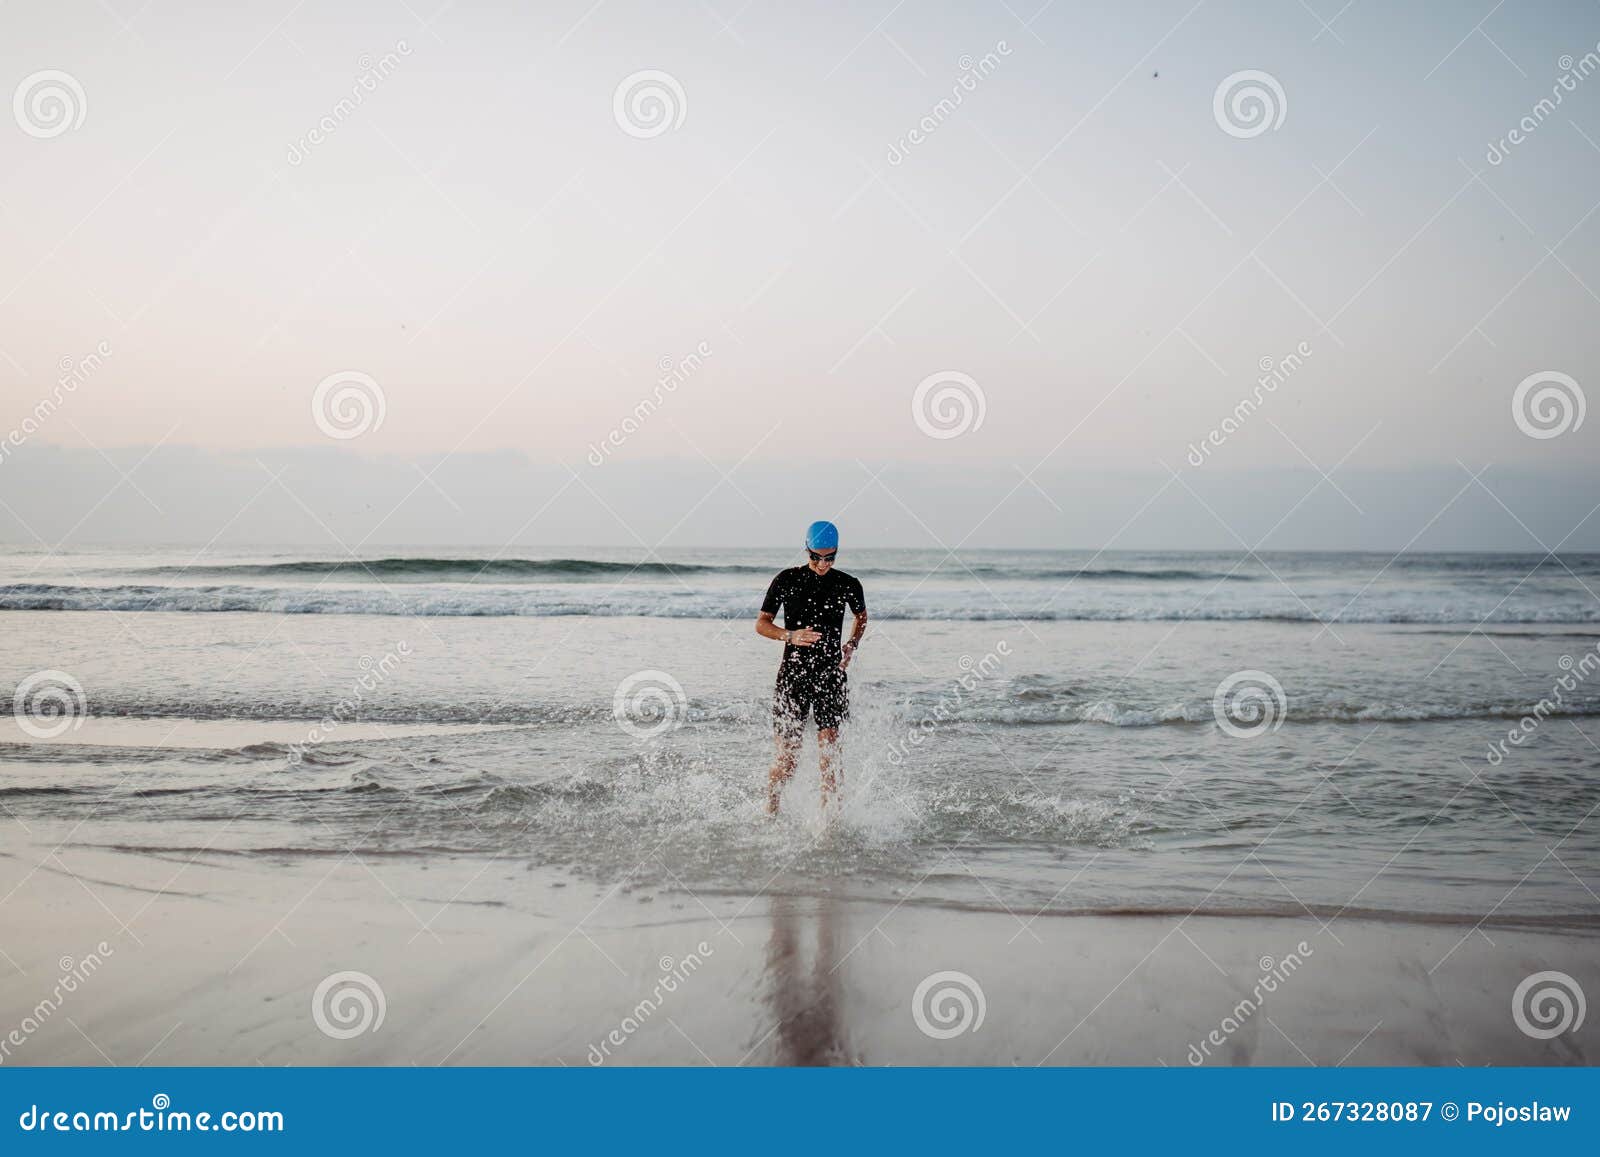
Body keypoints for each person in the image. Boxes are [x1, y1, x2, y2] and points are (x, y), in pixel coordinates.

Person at [755, 520, 868, 816]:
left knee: (830, 757)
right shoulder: (786, 580)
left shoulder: (848, 583)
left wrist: (851, 645)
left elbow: (862, 617)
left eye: (830, 557)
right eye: (816, 557)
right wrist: (789, 635)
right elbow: (761, 624)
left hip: (831, 677)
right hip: (793, 676)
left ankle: (829, 823)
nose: (822, 564)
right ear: (806, 550)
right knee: (788, 760)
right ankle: (771, 806)